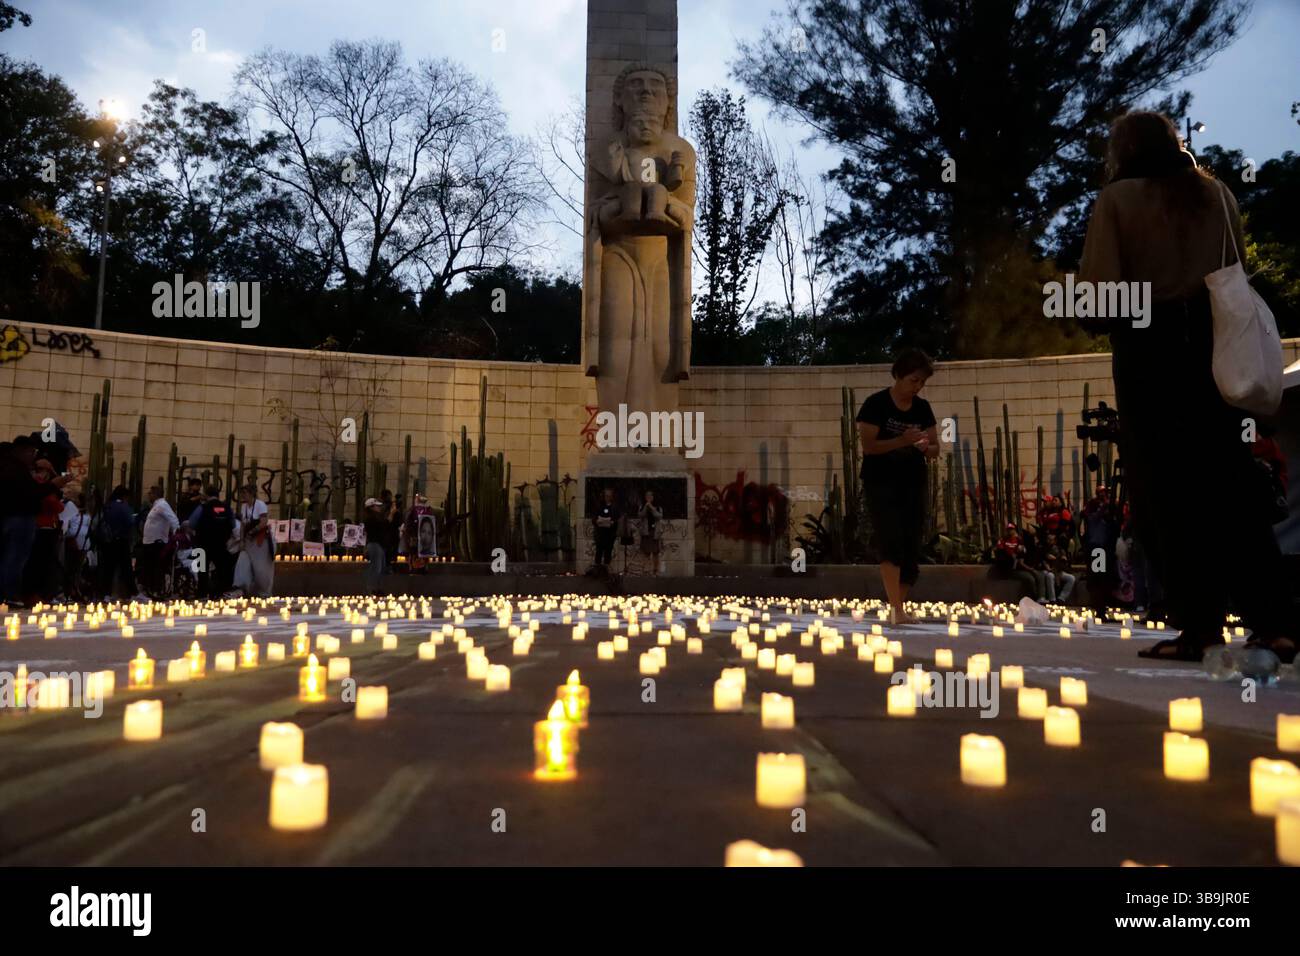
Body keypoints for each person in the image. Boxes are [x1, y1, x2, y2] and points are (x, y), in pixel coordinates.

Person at [1080, 111, 1295, 661]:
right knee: (1230, 484)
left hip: (1149, 352)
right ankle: (1274, 622)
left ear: (1123, 150)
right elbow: (1238, 269)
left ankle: (1199, 627)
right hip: (1213, 345)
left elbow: (1099, 295)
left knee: (1164, 493)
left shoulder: (1118, 200)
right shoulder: (1217, 193)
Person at [855, 348, 940, 624]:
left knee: (911, 545)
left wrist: (925, 446)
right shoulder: (876, 404)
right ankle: (896, 610)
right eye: (913, 380)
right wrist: (902, 441)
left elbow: (935, 448)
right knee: (890, 540)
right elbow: (869, 447)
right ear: (899, 376)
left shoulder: (923, 408)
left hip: (913, 481)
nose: (918, 387)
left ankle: (897, 607)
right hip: (881, 482)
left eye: (922, 382)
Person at [188, 485, 237, 597]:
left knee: (202, 571)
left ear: (206, 494)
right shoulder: (226, 508)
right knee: (221, 570)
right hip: (220, 544)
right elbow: (233, 525)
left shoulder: (202, 507)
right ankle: (218, 593)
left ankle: (202, 594)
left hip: (202, 544)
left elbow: (191, 523)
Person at [232, 484, 274, 597]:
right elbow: (242, 525)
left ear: (251, 494)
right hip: (248, 540)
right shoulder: (244, 507)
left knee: (261, 567)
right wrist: (241, 540)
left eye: (244, 493)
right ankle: (241, 587)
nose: (243, 496)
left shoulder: (260, 505)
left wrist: (253, 531)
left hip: (260, 540)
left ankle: (264, 592)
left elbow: (264, 521)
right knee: (243, 561)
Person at [138, 484, 179, 598]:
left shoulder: (162, 505)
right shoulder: (156, 506)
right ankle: (150, 589)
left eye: (150, 493)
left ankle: (156, 589)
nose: (148, 496)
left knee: (156, 567)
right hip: (149, 542)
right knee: (148, 567)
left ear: (155, 494)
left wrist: (175, 536)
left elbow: (173, 520)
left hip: (157, 542)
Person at [591, 487, 620, 575]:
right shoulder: (599, 506)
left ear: (612, 496)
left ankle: (606, 571)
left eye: (609, 496)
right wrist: (597, 521)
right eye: (606, 495)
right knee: (599, 551)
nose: (607, 497)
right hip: (600, 533)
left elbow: (617, 519)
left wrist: (612, 522)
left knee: (608, 551)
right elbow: (594, 518)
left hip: (610, 534)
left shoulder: (615, 507)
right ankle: (597, 570)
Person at [363, 497, 388, 593]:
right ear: (371, 507)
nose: (379, 508)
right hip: (374, 544)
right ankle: (372, 588)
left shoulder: (377, 517)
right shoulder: (371, 519)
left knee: (381, 567)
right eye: (377, 506)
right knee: (376, 567)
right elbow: (380, 528)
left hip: (378, 544)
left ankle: (378, 588)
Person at [638, 489, 663, 574]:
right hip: (646, 532)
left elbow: (659, 516)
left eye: (650, 496)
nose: (648, 497)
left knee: (655, 552)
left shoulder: (658, 507)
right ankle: (646, 570)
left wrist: (652, 507)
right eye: (647, 496)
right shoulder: (642, 506)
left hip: (654, 532)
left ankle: (655, 570)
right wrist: (646, 506)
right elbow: (641, 515)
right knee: (646, 552)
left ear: (653, 497)